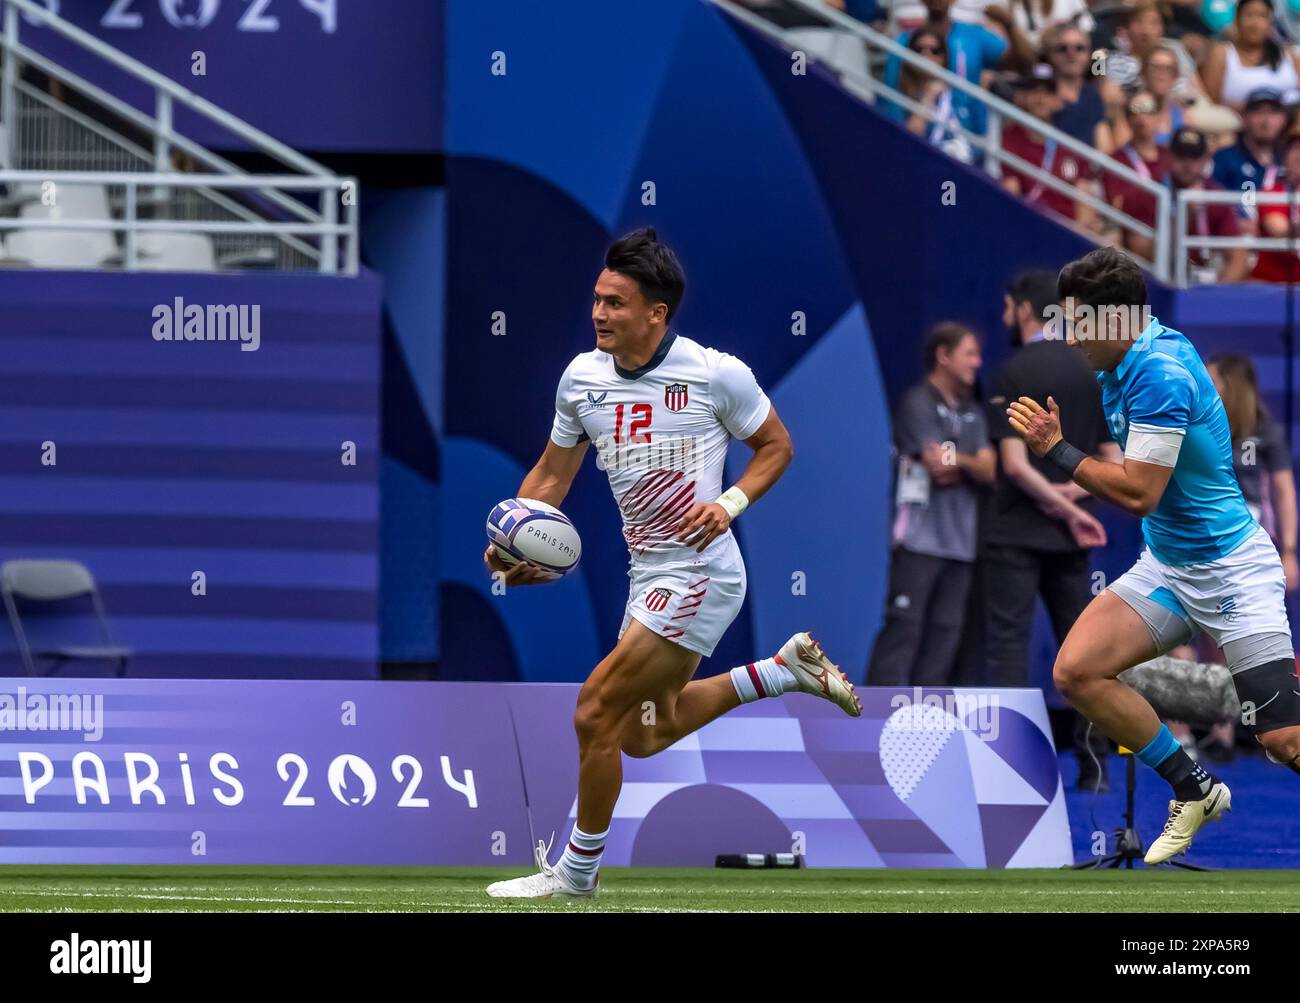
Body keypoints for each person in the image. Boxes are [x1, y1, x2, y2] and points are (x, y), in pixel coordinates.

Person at [482, 230, 861, 899]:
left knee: (594, 711)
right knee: (642, 733)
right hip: (647, 574)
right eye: (597, 300)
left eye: (616, 304)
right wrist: (515, 535)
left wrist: (730, 502)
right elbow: (552, 472)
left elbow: (776, 445)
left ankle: (576, 873)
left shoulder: (715, 373)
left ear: (656, 313)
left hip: (703, 571)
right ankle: (779, 671)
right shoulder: (582, 378)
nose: (599, 313)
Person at [1007, 247, 1300, 864]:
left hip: (1231, 570)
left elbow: (1140, 491)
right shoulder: (1119, 364)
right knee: (1077, 672)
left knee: (1282, 739)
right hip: (1168, 567)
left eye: (1078, 321)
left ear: (1114, 318)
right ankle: (1194, 788)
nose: (1069, 335)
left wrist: (1058, 452)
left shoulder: (1160, 371)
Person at [985, 270, 1119, 786]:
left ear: (1022, 309)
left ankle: (1015, 766)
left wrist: (1057, 504)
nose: (1003, 318)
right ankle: (1096, 766)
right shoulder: (1092, 373)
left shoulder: (1012, 370)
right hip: (1073, 539)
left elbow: (1016, 466)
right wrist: (1072, 501)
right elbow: (1111, 461)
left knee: (1009, 648)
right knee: (1082, 650)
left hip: (1016, 535)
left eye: (1006, 307)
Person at [868, 324, 996, 686]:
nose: (978, 362)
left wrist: (962, 463)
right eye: (969, 354)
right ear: (944, 355)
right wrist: (968, 463)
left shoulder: (973, 411)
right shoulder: (917, 403)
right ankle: (874, 717)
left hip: (960, 544)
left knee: (945, 635)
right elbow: (937, 466)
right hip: (918, 540)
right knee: (904, 629)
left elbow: (990, 468)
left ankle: (925, 720)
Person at [1207, 354, 1298, 591]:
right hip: (1205, 535)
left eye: (1212, 382)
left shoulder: (1267, 431)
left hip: (1252, 540)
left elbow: (1284, 492)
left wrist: (1288, 552)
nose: (1204, 388)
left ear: (1232, 387)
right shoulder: (1202, 429)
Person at [884, 0, 1035, 134]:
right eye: (921, 50)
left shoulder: (973, 35)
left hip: (970, 136)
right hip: (922, 135)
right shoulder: (904, 41)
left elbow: (1023, 64)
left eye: (935, 51)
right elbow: (892, 96)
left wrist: (1010, 26)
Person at [1000, 64, 1092, 223]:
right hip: (1027, 225)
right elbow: (1009, 197)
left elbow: (1084, 203)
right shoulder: (1007, 138)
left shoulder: (1070, 147)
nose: (1040, 98)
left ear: (1058, 101)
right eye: (1033, 90)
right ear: (1021, 96)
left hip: (1067, 231)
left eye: (1048, 91)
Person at [1166, 128, 1249, 283]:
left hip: (1206, 280)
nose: (1188, 164)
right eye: (1181, 156)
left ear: (1205, 159)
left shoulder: (1215, 194)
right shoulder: (1154, 191)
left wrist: (1217, 295)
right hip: (1163, 278)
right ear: (1169, 157)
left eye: (1194, 157)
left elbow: (1239, 256)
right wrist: (1185, 215)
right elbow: (1147, 251)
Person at [1201, 0, 1300, 112]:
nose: (1255, 24)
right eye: (1249, 15)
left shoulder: (1289, 55)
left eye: (1262, 16)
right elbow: (1210, 102)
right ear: (1237, 20)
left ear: (1271, 23)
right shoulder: (1222, 54)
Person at [1211, 86, 1287, 229]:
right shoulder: (1224, 159)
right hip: (1236, 240)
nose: (1266, 121)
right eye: (1258, 112)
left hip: (1282, 244)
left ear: (1283, 119)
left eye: (1273, 113)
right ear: (1245, 117)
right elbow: (1212, 205)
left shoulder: (1291, 160)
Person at [901, 27, 974, 159]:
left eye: (935, 50)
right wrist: (928, 98)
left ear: (944, 57)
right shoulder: (899, 94)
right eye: (919, 50)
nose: (927, 55)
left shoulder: (957, 94)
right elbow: (910, 137)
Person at [1046, 23, 1112, 151]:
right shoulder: (1039, 92)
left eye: (1079, 48)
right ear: (1050, 54)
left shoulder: (1093, 95)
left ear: (1089, 54)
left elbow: (1104, 149)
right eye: (1062, 48)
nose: (1071, 54)